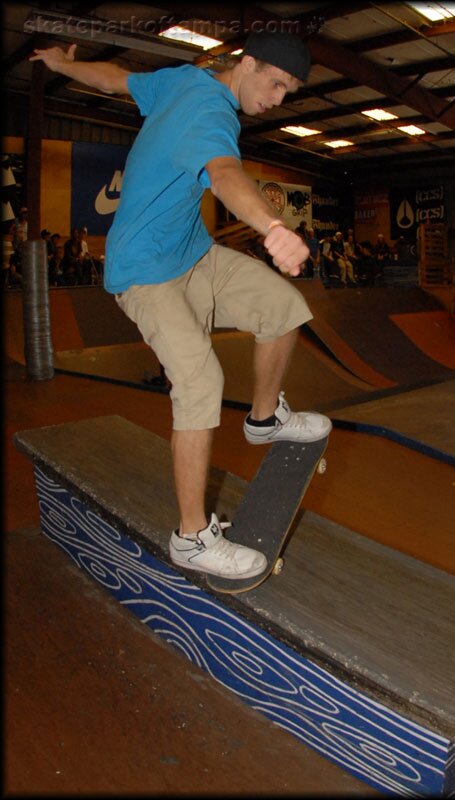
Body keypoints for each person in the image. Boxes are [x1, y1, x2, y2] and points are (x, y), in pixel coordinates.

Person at [31, 33, 332, 581]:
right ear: (247, 64)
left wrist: (62, 65)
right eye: (274, 84)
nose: (277, 99)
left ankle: (265, 419)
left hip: (193, 254)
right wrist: (273, 228)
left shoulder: (178, 80)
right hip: (145, 273)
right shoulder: (210, 114)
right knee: (200, 382)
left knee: (284, 309)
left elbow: (114, 79)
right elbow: (225, 175)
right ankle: (191, 539)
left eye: (288, 91)